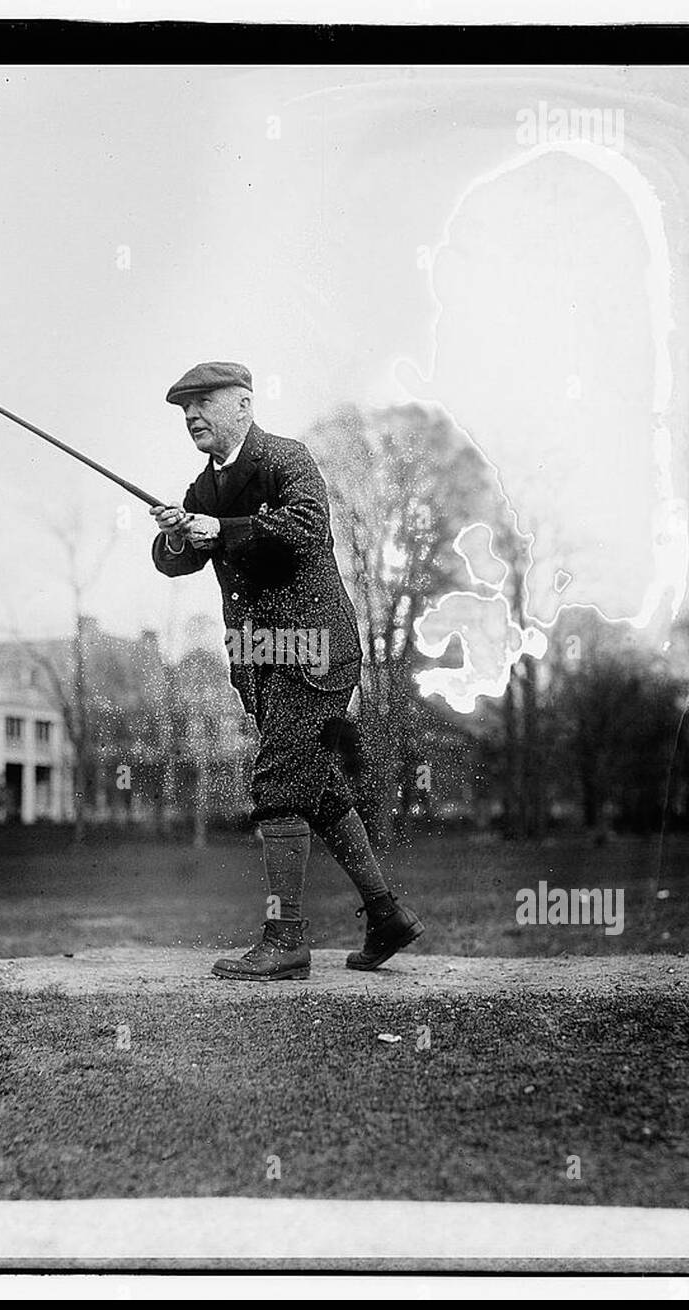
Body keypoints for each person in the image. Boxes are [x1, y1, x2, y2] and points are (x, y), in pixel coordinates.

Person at [151, 361, 425, 980]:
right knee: (318, 789)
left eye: (203, 402)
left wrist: (220, 529)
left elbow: (305, 528)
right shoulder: (205, 486)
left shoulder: (286, 458)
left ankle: (286, 939)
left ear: (243, 405)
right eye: (184, 408)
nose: (191, 415)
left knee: (277, 779)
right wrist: (178, 535)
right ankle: (387, 916)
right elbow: (174, 564)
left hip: (313, 649)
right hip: (264, 661)